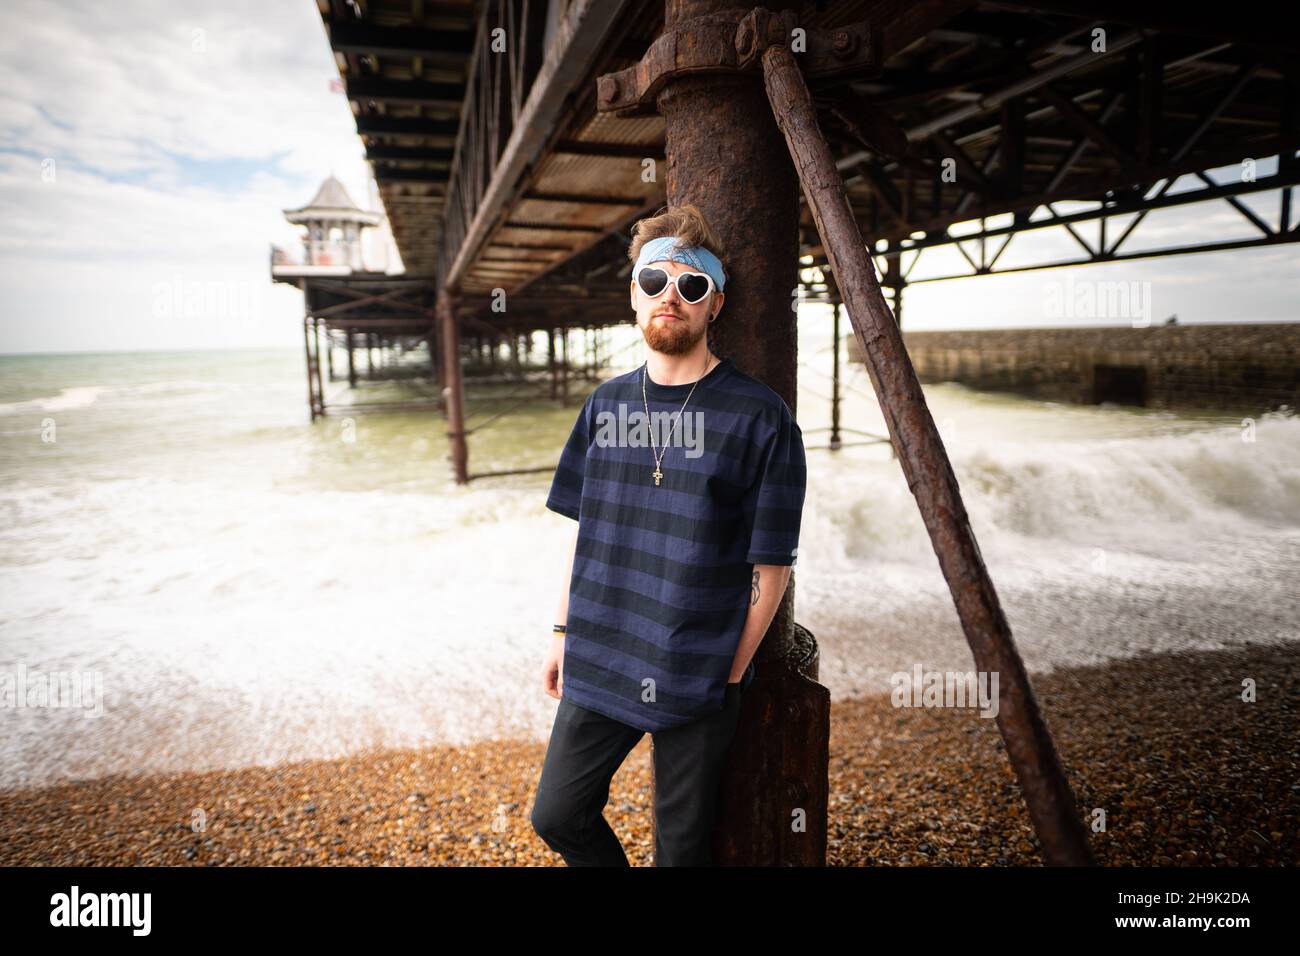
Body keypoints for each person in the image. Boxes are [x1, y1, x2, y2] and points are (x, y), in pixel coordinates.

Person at [530, 203, 807, 866]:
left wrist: (729, 675)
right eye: (655, 282)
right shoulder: (604, 406)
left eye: (691, 286)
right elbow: (583, 532)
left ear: (715, 302)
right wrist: (563, 633)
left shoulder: (762, 419)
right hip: (601, 652)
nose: (670, 298)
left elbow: (769, 569)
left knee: (681, 853)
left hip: (696, 670)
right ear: (634, 295)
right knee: (558, 814)